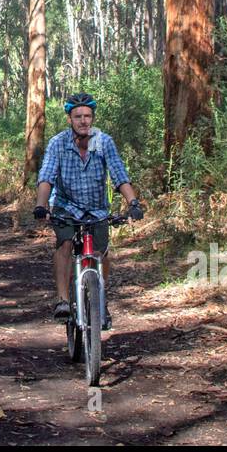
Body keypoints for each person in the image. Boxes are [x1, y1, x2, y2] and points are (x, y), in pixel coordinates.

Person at [32, 92, 143, 330]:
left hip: (97, 210)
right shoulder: (57, 143)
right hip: (66, 207)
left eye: (87, 116)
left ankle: (99, 301)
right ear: (69, 119)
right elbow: (46, 177)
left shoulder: (104, 142)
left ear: (92, 118)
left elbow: (119, 174)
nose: (83, 121)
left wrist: (133, 202)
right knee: (65, 245)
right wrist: (41, 205)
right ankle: (62, 299)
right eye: (78, 116)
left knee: (101, 252)